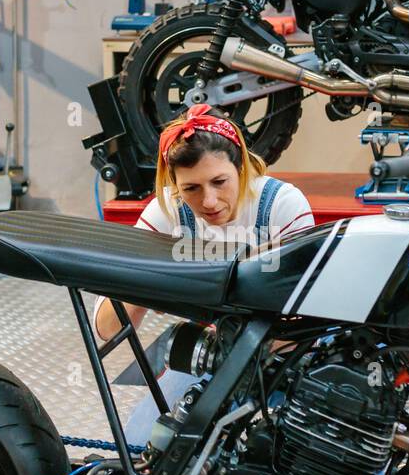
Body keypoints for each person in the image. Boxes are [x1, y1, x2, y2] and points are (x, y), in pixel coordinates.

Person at [94, 103, 315, 443]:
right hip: (214, 353)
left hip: (289, 355)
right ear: (174, 185)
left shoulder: (281, 205)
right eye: (192, 188)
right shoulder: (168, 212)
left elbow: (306, 319)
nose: (209, 201)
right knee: (143, 447)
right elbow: (108, 327)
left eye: (219, 181)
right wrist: (140, 281)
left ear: (241, 167)